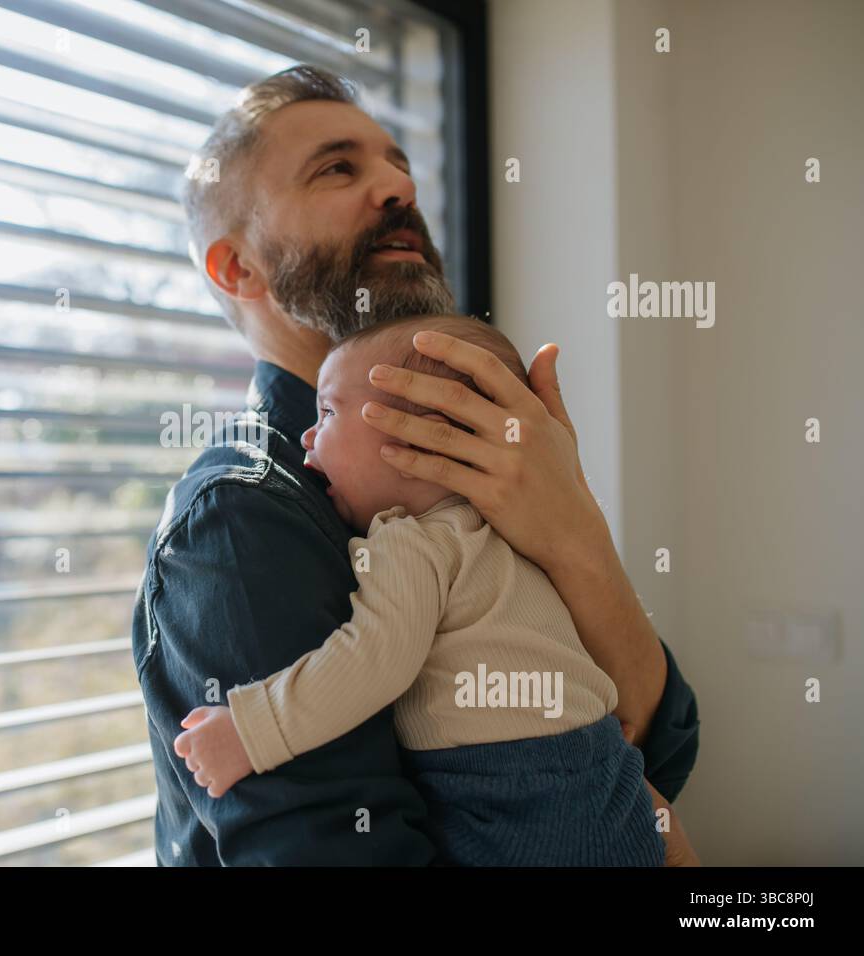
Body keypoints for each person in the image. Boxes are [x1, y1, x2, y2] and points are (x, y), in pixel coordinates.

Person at [131, 65, 699, 866]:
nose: (399, 186)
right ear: (238, 269)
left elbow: (659, 744)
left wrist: (576, 533)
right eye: (338, 167)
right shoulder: (241, 519)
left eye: (399, 163)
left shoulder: (485, 460)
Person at [172, 314, 683, 865]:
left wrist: (251, 731)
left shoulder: (413, 543)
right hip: (605, 776)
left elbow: (373, 659)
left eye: (327, 413)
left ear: (417, 439)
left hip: (519, 799)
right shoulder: (506, 533)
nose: (306, 436)